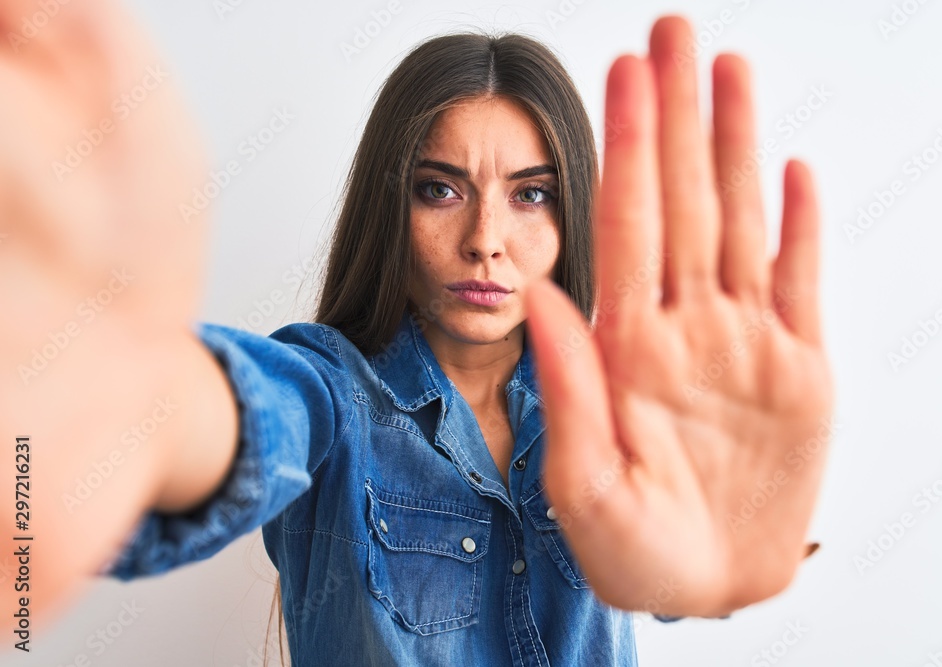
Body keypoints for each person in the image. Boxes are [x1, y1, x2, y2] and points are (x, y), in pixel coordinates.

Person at [0, 1, 833, 665]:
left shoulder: (620, 414)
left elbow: (675, 563)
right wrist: (128, 397)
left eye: (531, 193)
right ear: (389, 207)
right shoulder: (330, 389)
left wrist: (729, 558)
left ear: (573, 215)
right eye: (441, 189)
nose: (485, 239)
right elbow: (240, 417)